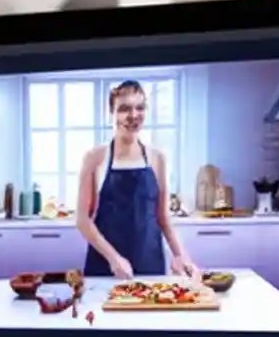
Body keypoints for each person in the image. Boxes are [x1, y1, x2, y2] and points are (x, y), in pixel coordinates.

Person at [76, 80, 199, 280]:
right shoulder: (95, 158)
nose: (133, 115)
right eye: (124, 109)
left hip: (150, 262)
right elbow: (82, 221)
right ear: (113, 113)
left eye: (139, 108)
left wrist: (181, 256)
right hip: (105, 266)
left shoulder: (158, 158)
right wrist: (114, 258)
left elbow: (163, 218)